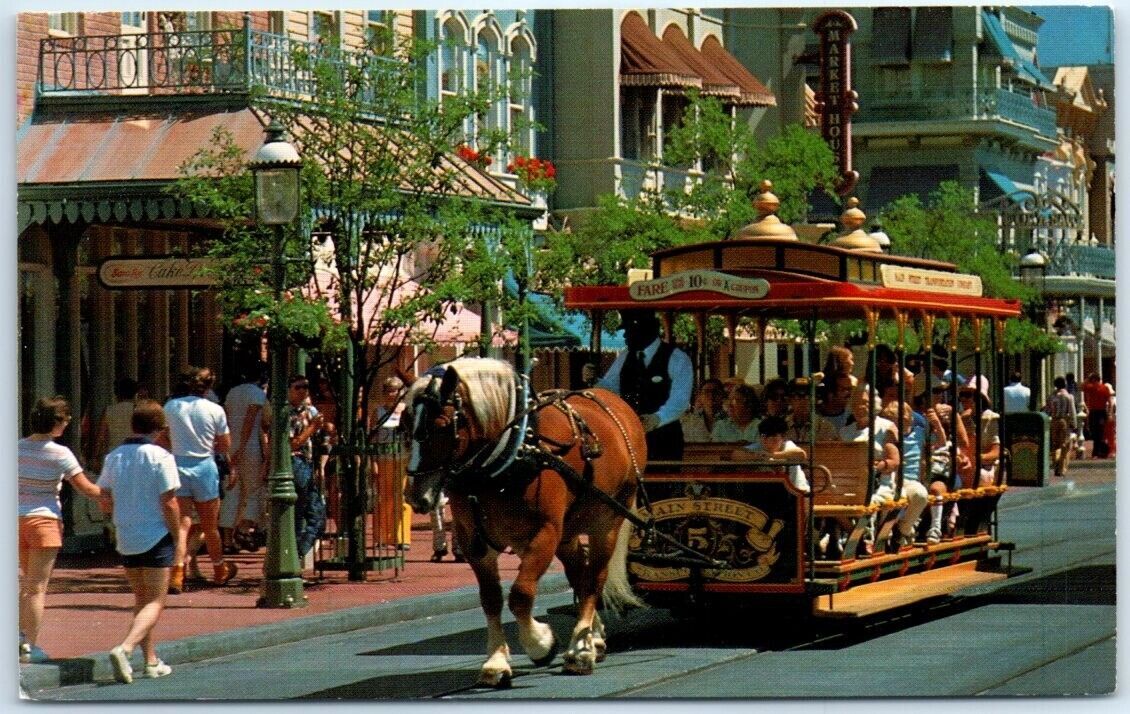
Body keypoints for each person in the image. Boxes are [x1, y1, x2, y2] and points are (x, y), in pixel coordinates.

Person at [99, 400, 181, 684]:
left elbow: (105, 500)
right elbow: (169, 502)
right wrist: (178, 538)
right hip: (155, 534)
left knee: (142, 600)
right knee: (156, 601)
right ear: (160, 429)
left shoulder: (114, 457)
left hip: (126, 534)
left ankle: (150, 660)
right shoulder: (160, 457)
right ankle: (126, 648)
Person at [18, 397, 103, 664]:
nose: (66, 425)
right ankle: (28, 647)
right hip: (44, 522)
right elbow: (86, 488)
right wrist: (112, 493)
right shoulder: (60, 453)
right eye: (65, 421)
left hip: (15, 520)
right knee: (37, 588)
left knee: (26, 585)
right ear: (56, 422)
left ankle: (18, 639)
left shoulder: (15, 448)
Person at [164, 366, 238, 593]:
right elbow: (225, 444)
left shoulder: (170, 407)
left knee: (183, 522)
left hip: (177, 465)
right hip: (204, 466)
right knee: (210, 525)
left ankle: (177, 571)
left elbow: (164, 437)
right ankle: (218, 569)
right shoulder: (214, 409)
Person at [591, 310, 692, 460]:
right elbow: (611, 388)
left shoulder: (677, 358)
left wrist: (657, 419)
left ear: (646, 330)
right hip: (630, 438)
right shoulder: (625, 356)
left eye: (629, 330)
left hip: (664, 441)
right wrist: (594, 381)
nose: (625, 336)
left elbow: (680, 400)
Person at [263, 375, 330, 562]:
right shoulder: (286, 413)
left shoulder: (310, 410)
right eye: (298, 387)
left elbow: (320, 438)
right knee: (302, 516)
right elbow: (292, 444)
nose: (303, 391)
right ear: (288, 390)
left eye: (306, 387)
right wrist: (313, 427)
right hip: (294, 464)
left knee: (313, 517)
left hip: (307, 464)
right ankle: (296, 558)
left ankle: (298, 557)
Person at [838, 386, 901, 555]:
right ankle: (854, 536)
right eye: (857, 402)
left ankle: (867, 540)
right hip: (851, 484)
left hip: (879, 484)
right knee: (831, 503)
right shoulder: (845, 432)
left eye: (865, 403)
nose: (860, 406)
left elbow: (894, 461)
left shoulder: (886, 427)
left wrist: (878, 466)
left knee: (868, 501)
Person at [219, 366, 268, 553]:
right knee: (253, 489)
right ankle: (244, 530)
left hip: (231, 444)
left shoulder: (232, 393)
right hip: (250, 447)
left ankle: (227, 540)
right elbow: (250, 420)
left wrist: (232, 447)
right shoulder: (257, 394)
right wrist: (242, 445)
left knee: (232, 491)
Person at [880, 401, 930, 547]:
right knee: (892, 497)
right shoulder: (887, 437)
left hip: (910, 480)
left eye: (899, 422)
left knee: (920, 495)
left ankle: (903, 530)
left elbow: (929, 453)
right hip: (892, 479)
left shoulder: (919, 433)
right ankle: (884, 532)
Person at [730, 415, 810, 493]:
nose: (767, 440)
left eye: (772, 436)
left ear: (783, 437)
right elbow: (736, 455)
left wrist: (772, 456)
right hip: (774, 493)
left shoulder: (788, 445)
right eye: (764, 436)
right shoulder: (758, 447)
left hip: (799, 493)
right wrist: (758, 456)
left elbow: (801, 454)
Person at [958, 382, 1002, 488]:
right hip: (963, 465)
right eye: (961, 395)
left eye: (968, 395)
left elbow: (996, 452)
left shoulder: (991, 418)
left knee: (975, 477)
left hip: (985, 467)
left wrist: (976, 458)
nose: (963, 399)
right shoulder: (960, 418)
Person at [92, 377, 140, 470]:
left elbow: (100, 436)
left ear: (116, 393)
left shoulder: (109, 410)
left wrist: (95, 457)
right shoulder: (138, 410)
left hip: (114, 454)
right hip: (133, 454)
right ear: (134, 394)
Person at [1044, 376, 1079, 478]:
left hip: (1054, 421)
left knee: (1055, 444)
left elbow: (1047, 410)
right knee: (1064, 445)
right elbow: (1072, 412)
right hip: (1064, 421)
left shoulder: (1051, 396)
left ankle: (1056, 464)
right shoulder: (1069, 397)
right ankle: (1061, 467)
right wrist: (1074, 425)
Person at [680, 378, 725, 442]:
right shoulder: (690, 422)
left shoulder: (731, 420)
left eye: (715, 392)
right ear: (700, 396)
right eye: (706, 392)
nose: (711, 395)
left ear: (722, 395)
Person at [1082, 372, 1112, 458]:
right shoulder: (1104, 388)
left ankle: (1097, 452)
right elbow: (1109, 401)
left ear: (1094, 380)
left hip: (1096, 412)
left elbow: (1082, 387)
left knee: (1097, 432)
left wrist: (1088, 378)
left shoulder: (1094, 387)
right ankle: (1099, 451)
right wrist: (1109, 413)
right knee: (1098, 431)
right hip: (1099, 412)